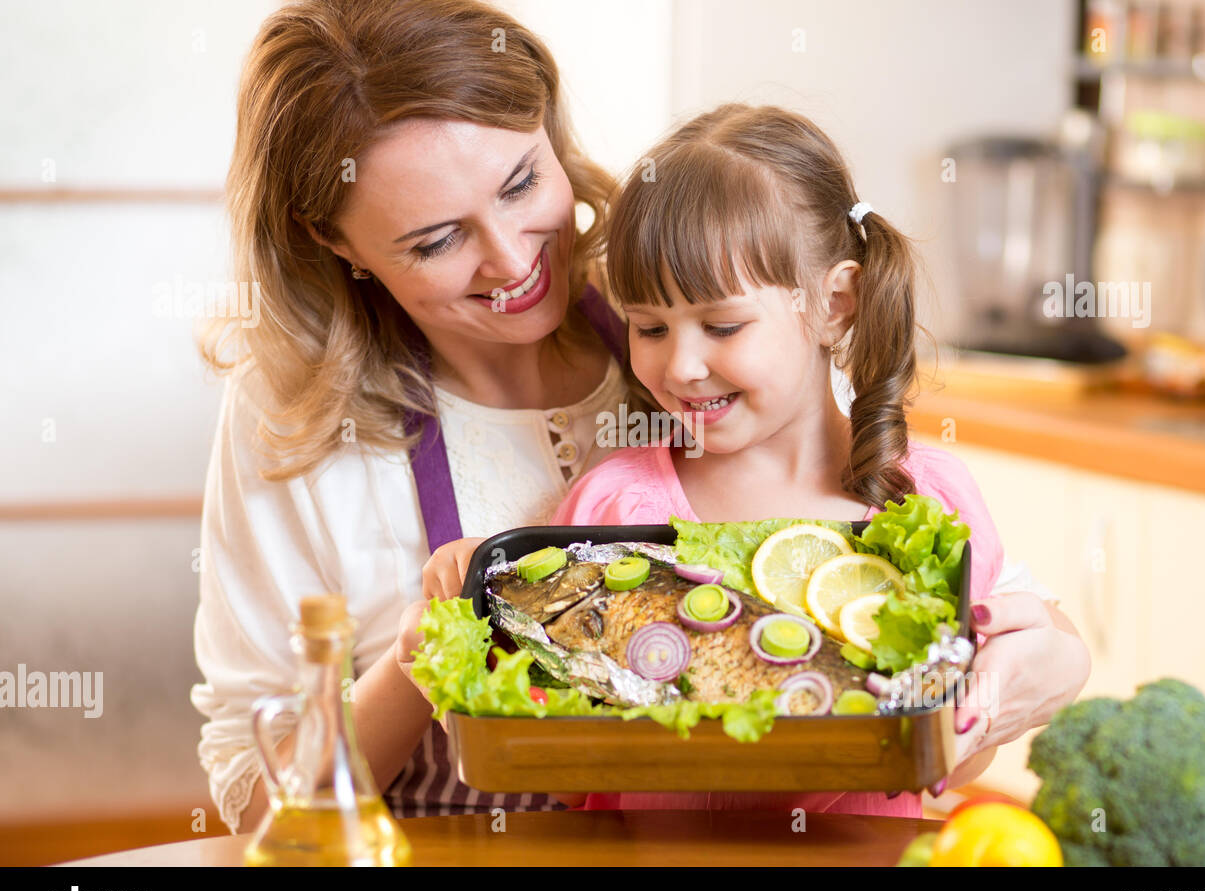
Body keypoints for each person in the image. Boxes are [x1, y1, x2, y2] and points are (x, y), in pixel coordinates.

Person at [548, 103, 1091, 815]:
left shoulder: (923, 501)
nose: (680, 365)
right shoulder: (609, 508)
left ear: (834, 304)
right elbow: (558, 765)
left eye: (722, 325)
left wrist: (976, 710)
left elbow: (961, 755)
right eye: (649, 327)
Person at [191, 0, 631, 834]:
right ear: (333, 238)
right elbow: (257, 798)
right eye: (436, 241)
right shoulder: (294, 419)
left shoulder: (683, 334)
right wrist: (417, 662)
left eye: (523, 183)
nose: (511, 260)